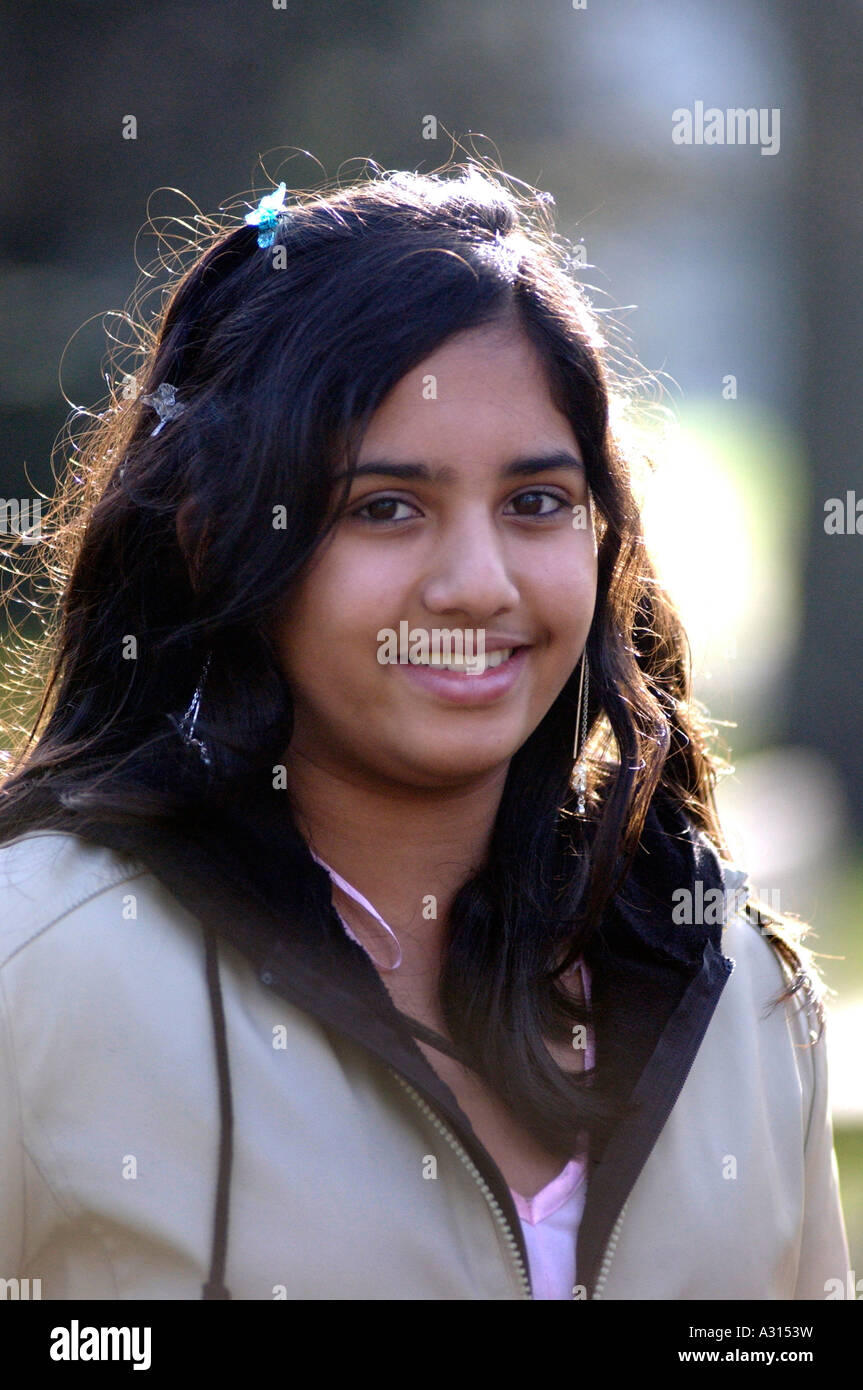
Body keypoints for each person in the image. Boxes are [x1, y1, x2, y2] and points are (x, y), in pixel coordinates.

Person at [0, 158, 850, 1301]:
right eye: (384, 507)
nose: (475, 583)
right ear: (212, 538)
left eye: (534, 503)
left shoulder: (731, 985)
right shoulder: (40, 967)